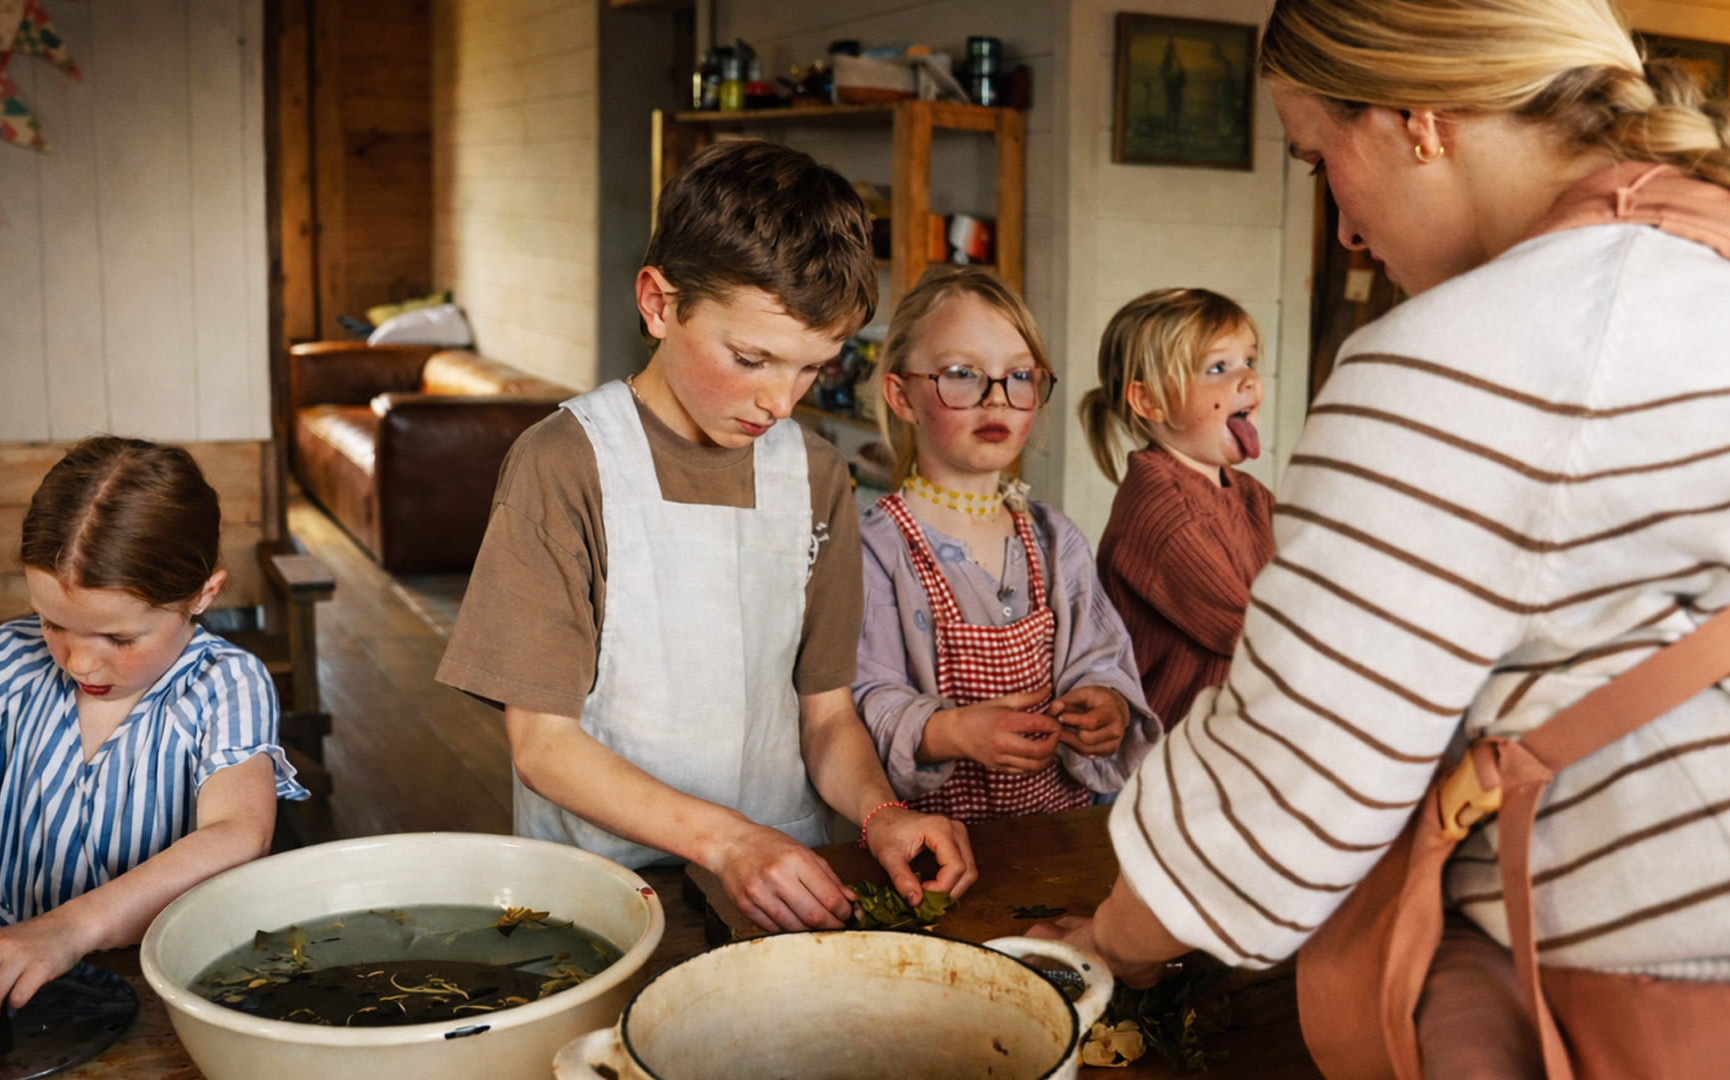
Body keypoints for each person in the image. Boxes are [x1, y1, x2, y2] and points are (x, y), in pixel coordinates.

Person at [1033, 0, 1730, 1075]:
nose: (1339, 222)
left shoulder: (1471, 354)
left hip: (1679, 993)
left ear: (1415, 117)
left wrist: (1113, 943)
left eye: (1315, 157)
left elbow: (1290, 782)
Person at [435, 140, 975, 934]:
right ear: (658, 302)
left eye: (809, 369)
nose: (780, 402)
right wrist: (727, 843)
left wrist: (880, 813)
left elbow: (825, 718)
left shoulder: (816, 476)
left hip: (781, 877)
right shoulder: (566, 464)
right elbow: (544, 745)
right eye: (752, 358)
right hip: (602, 893)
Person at [0, 436, 307, 1022]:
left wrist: (70, 928)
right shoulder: (8, 662)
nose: (79, 662)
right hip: (11, 986)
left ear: (202, 595)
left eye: (120, 639)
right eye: (52, 623)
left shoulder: (226, 684)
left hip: (169, 985)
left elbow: (238, 835)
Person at [851, 267, 1160, 823]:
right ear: (901, 395)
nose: (996, 398)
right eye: (962, 374)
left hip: (1056, 840)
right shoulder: (877, 548)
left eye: (1018, 376)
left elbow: (1101, 658)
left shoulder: (1053, 539)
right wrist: (952, 731)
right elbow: (862, 702)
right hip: (936, 849)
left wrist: (1106, 704)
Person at [1077, 288, 1275, 730]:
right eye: (1218, 368)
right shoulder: (1166, 514)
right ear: (1150, 402)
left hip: (1236, 733)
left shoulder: (1251, 496)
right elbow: (1260, 634)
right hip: (1175, 750)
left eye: (1250, 361)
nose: (1246, 379)